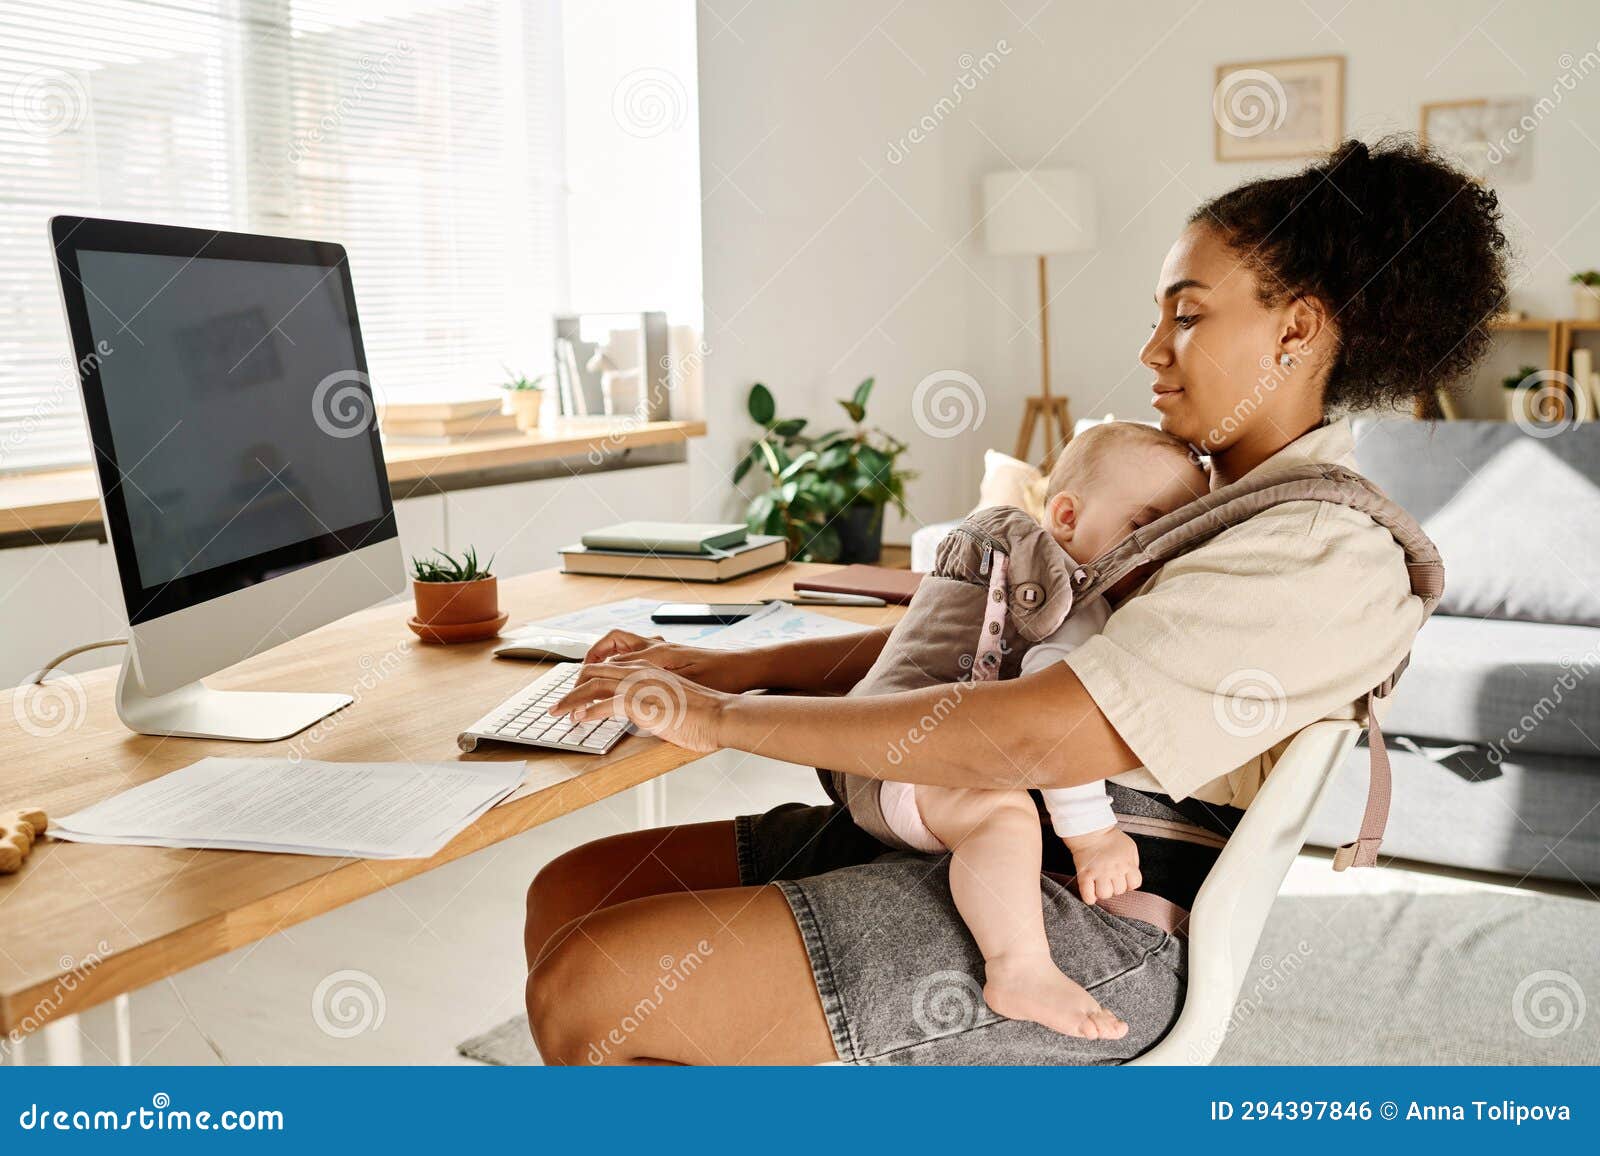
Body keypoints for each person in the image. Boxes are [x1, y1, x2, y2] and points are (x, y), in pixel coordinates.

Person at [525, 136, 1509, 1065]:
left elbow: (1033, 734)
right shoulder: (1207, 504)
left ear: (1296, 328)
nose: (1151, 349)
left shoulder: (1313, 549)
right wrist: (722, 668)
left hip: (1083, 912)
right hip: (988, 834)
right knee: (569, 892)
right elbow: (977, 654)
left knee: (592, 984)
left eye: (1187, 313)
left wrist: (722, 718)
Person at [868, 421, 1208, 1041]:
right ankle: (1019, 967)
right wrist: (1092, 834)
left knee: (995, 811)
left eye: (1176, 538)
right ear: (1068, 516)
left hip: (875, 745)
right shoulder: (1076, 601)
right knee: (1005, 816)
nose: (1158, 553)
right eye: (1144, 527)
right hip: (910, 762)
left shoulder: (1008, 568)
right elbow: (1055, 727)